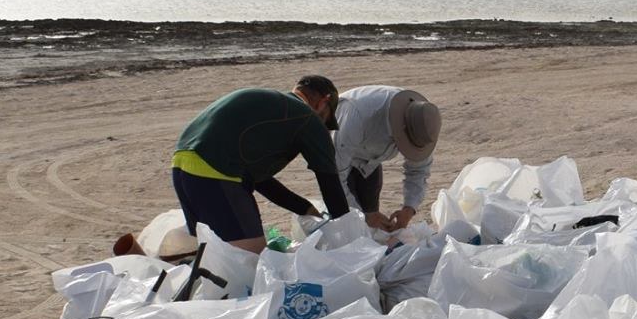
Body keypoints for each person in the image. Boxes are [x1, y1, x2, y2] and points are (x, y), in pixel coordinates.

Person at [169, 75, 351, 251]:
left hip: (181, 166)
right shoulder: (306, 117)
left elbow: (260, 181)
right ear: (324, 102)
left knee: (213, 252)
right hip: (216, 173)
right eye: (326, 119)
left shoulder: (272, 107)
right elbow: (330, 184)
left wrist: (306, 208)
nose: (323, 126)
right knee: (250, 257)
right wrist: (350, 236)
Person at [332, 85, 443, 232]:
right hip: (335, 153)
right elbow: (335, 177)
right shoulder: (358, 116)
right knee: (348, 223)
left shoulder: (424, 123)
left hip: (369, 161)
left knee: (370, 220)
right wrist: (363, 218)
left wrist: (409, 209)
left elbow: (419, 171)